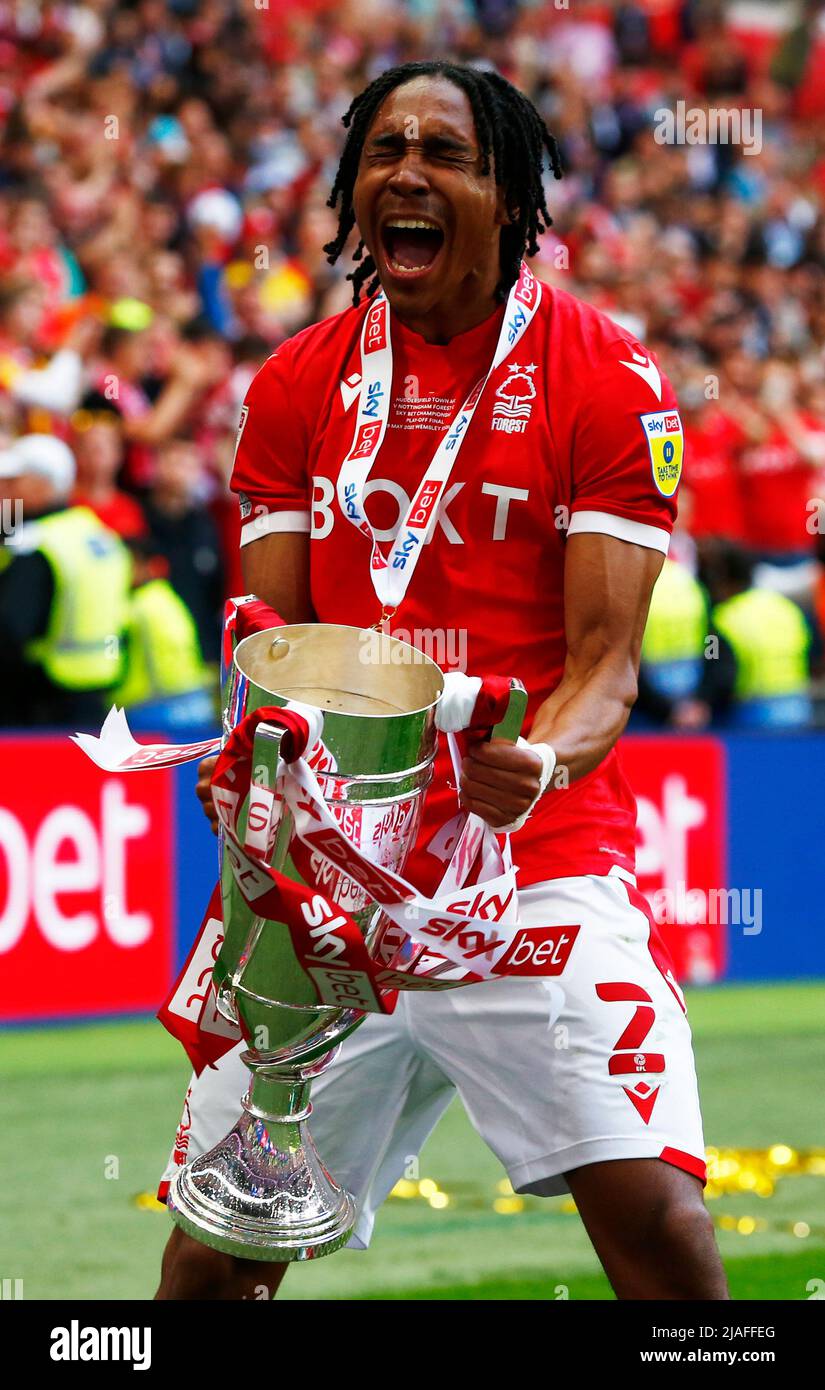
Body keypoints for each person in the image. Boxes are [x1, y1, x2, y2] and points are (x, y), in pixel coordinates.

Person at [156, 62, 728, 1301]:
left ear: (510, 191)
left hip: (532, 863)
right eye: (381, 150)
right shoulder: (296, 383)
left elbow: (606, 666)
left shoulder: (610, 382)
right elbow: (269, 632)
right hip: (332, 882)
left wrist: (538, 763)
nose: (404, 173)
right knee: (215, 1257)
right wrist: (261, 765)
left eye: (444, 152)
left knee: (660, 1222)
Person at [0, 432, 131, 727]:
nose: (4, 491)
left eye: (12, 481)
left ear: (42, 485)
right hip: (99, 698)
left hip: (39, 701)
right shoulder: (98, 534)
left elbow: (10, 631)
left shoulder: (35, 542)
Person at [699, 538, 812, 729]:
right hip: (798, 708)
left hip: (750, 715)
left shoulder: (723, 618)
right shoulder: (785, 607)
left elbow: (720, 676)